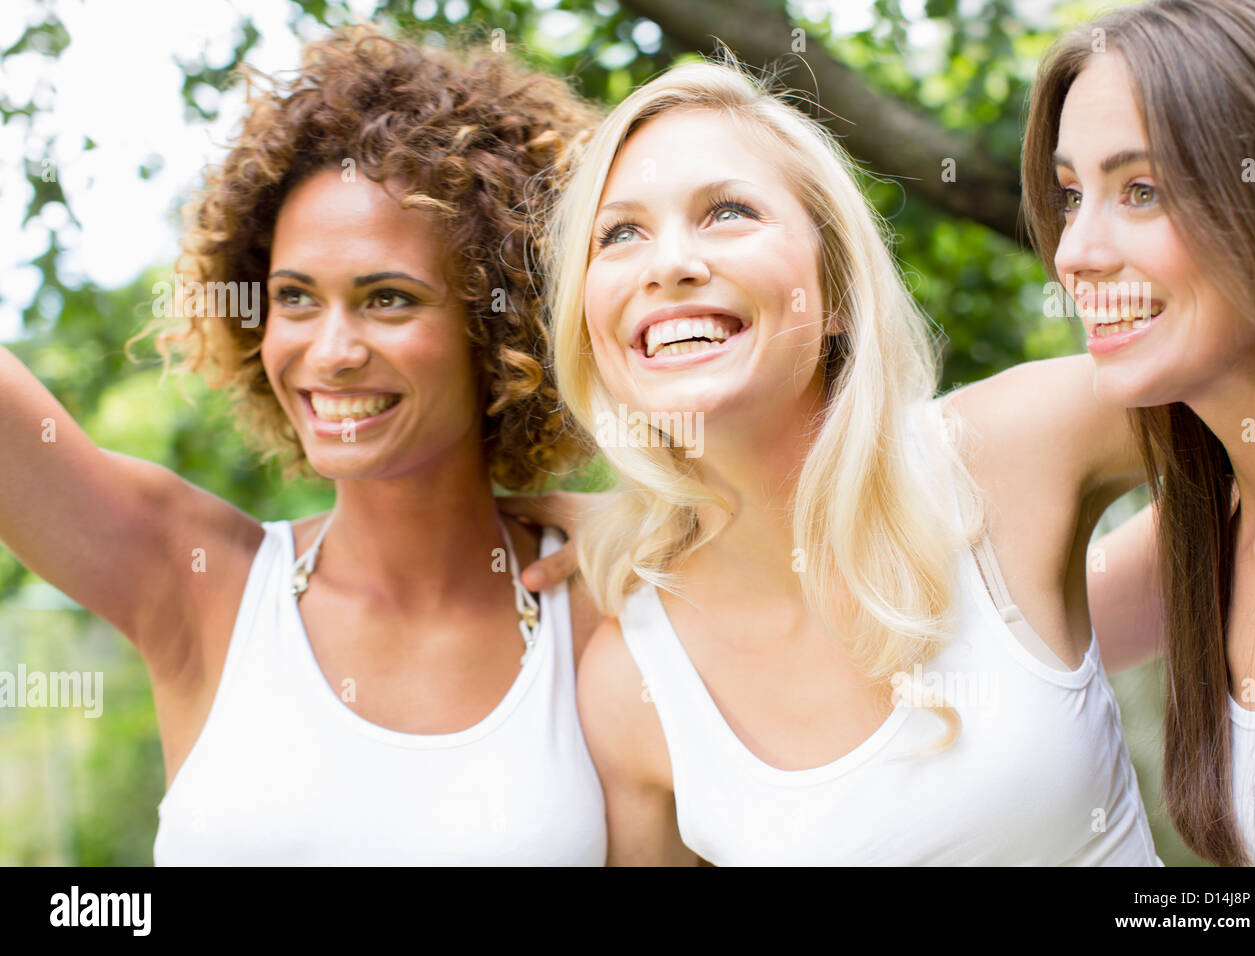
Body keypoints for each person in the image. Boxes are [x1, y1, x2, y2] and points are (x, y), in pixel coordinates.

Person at [0, 24, 606, 864]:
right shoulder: (194, 579)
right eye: (294, 297)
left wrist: (659, 520)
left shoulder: (606, 605)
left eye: (388, 298)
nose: (331, 351)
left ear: (500, 324)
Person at [534, 56, 1160, 864]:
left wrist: (1104, 598)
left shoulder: (1015, 445)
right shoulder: (632, 685)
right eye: (619, 233)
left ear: (833, 293)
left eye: (727, 211)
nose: (669, 264)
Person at [1022, 0, 1255, 866]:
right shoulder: (1200, 538)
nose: (1073, 253)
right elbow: (924, 650)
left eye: (1141, 190)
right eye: (1072, 197)